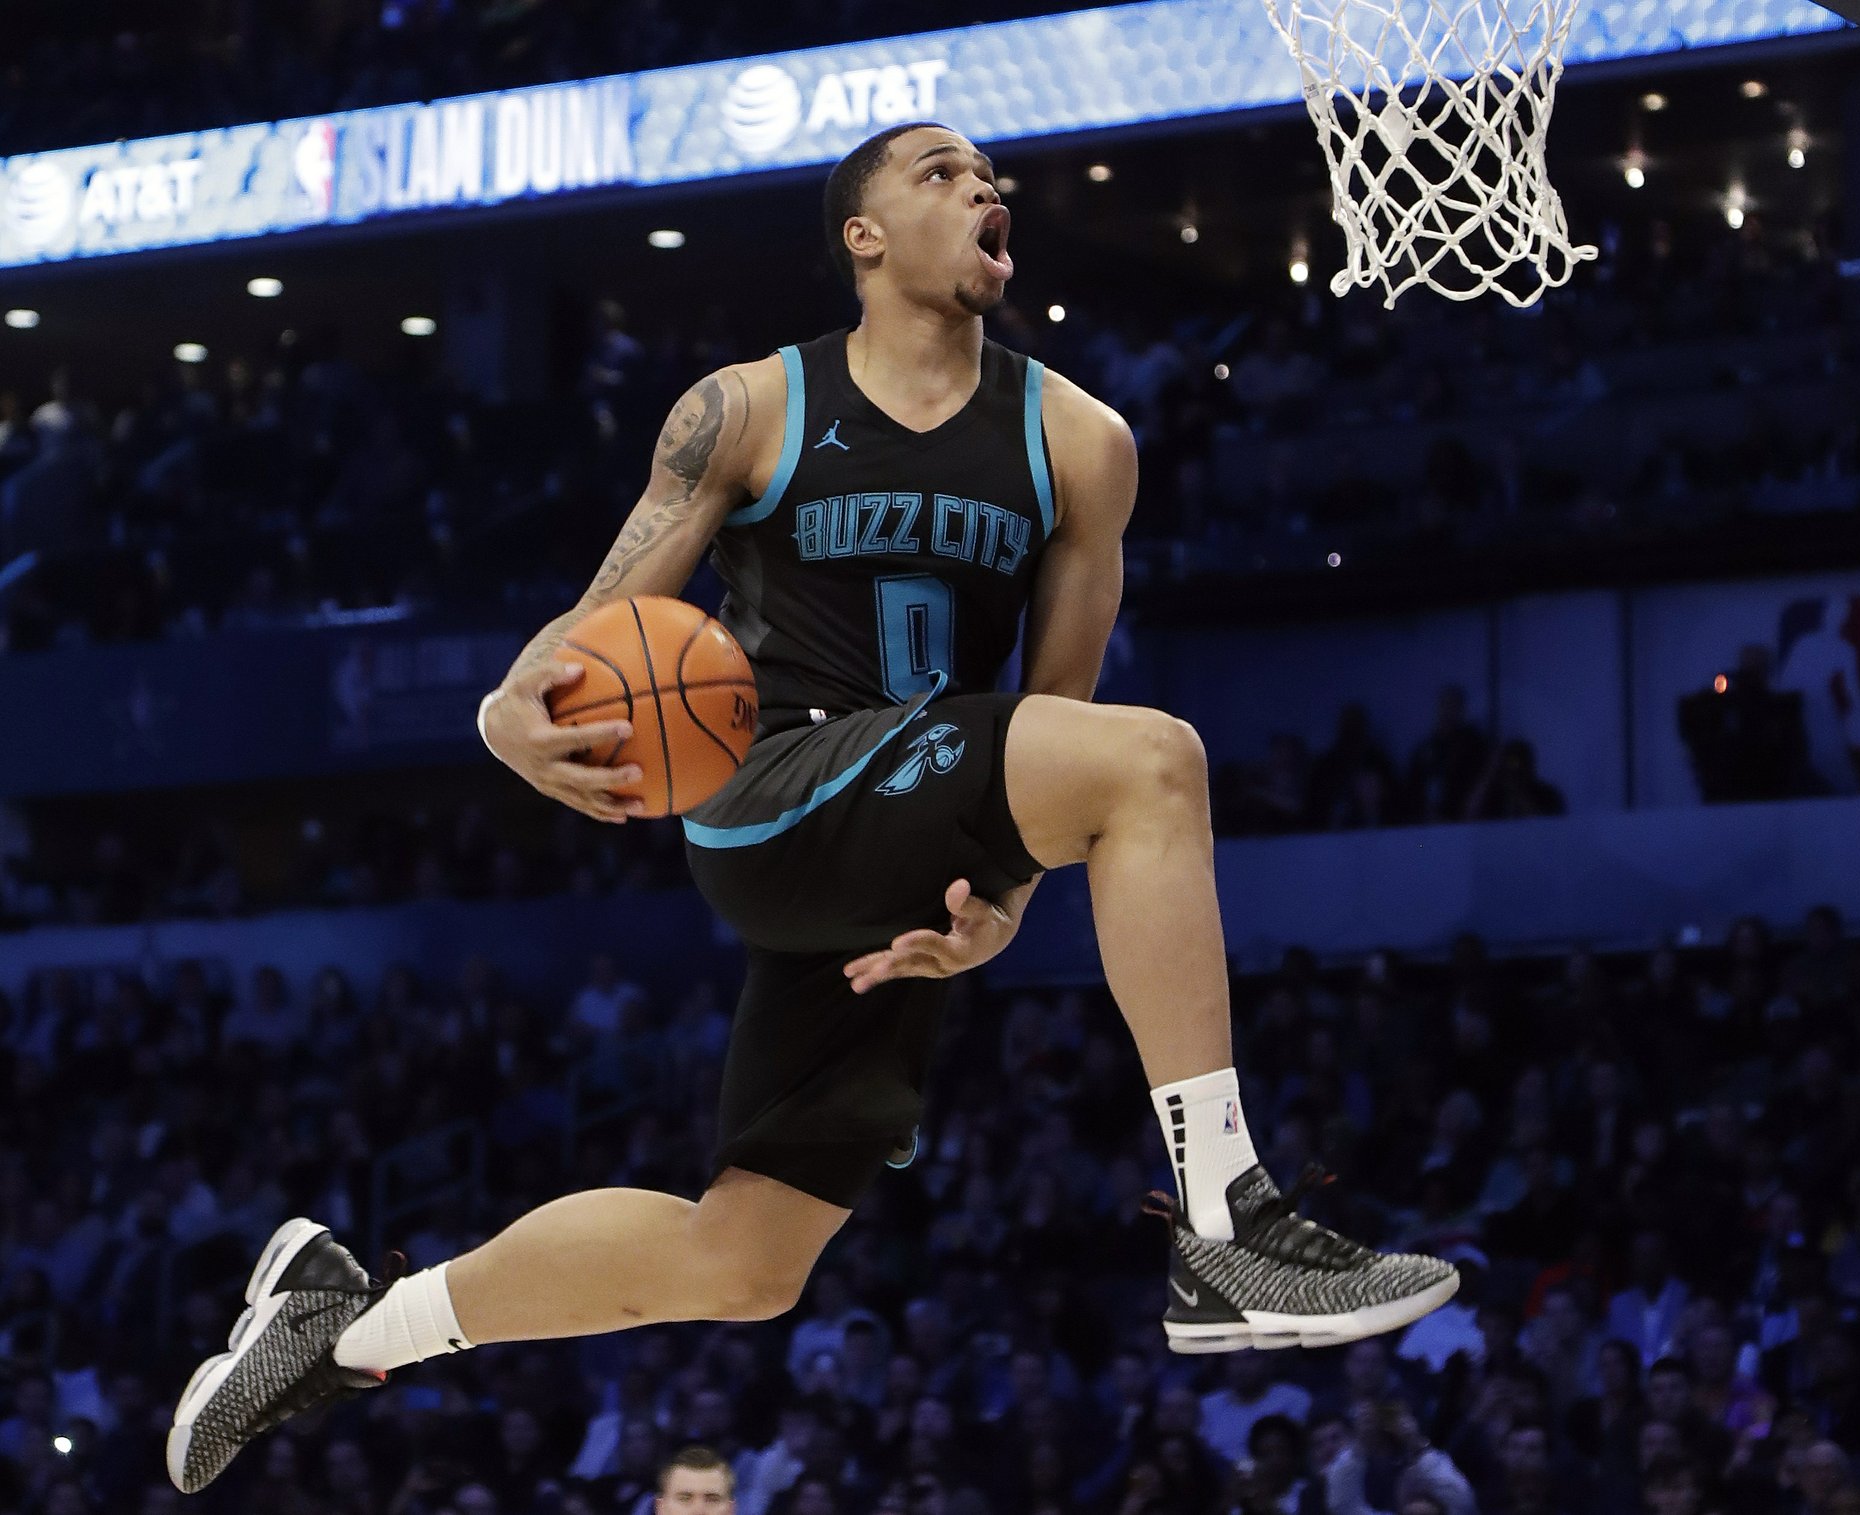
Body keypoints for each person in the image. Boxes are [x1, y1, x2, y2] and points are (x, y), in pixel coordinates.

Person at [165, 121, 1456, 1494]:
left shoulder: (1082, 442)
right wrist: (502, 708)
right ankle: (1229, 1218)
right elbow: (595, 632)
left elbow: (1056, 721)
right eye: (943, 174)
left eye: (991, 181)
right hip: (771, 798)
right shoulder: (751, 409)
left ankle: (342, 1330)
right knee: (1161, 759)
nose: (985, 191)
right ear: (865, 235)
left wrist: (1002, 904)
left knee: (745, 1261)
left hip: (913, 852)